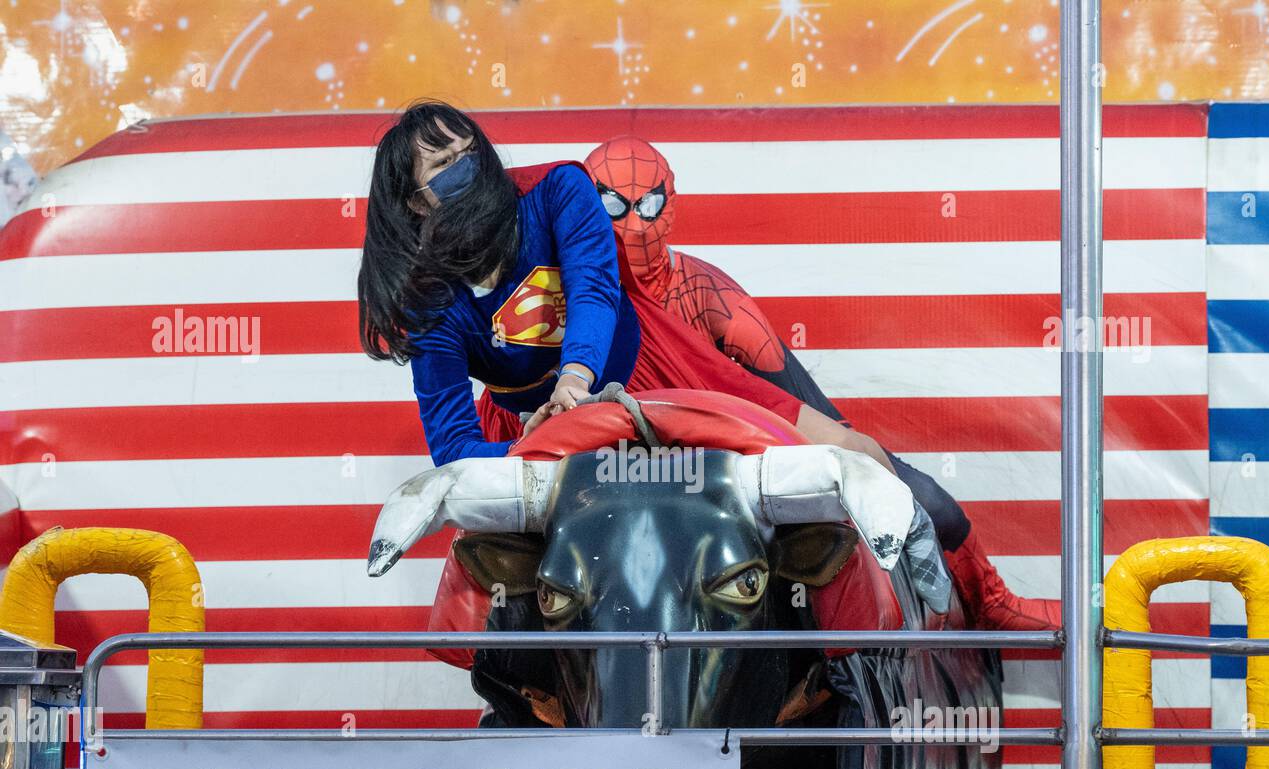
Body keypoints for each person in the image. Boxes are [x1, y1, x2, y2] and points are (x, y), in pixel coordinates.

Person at [583, 135, 1059, 631]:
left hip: (731, 455)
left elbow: (789, 397)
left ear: (670, 205)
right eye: (612, 206)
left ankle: (990, 602)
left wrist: (852, 453)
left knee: (923, 500)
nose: (633, 225)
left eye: (648, 205)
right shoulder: (566, 296)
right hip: (609, 465)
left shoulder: (710, 296)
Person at [357, 100, 895, 472]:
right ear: (415, 201)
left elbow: (594, 288)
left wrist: (574, 381)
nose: (466, 167)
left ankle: (949, 584)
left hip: (655, 369)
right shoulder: (426, 306)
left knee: (845, 451)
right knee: (486, 584)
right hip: (535, 434)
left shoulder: (556, 190)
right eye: (444, 165)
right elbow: (453, 447)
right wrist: (532, 441)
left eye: (469, 151)